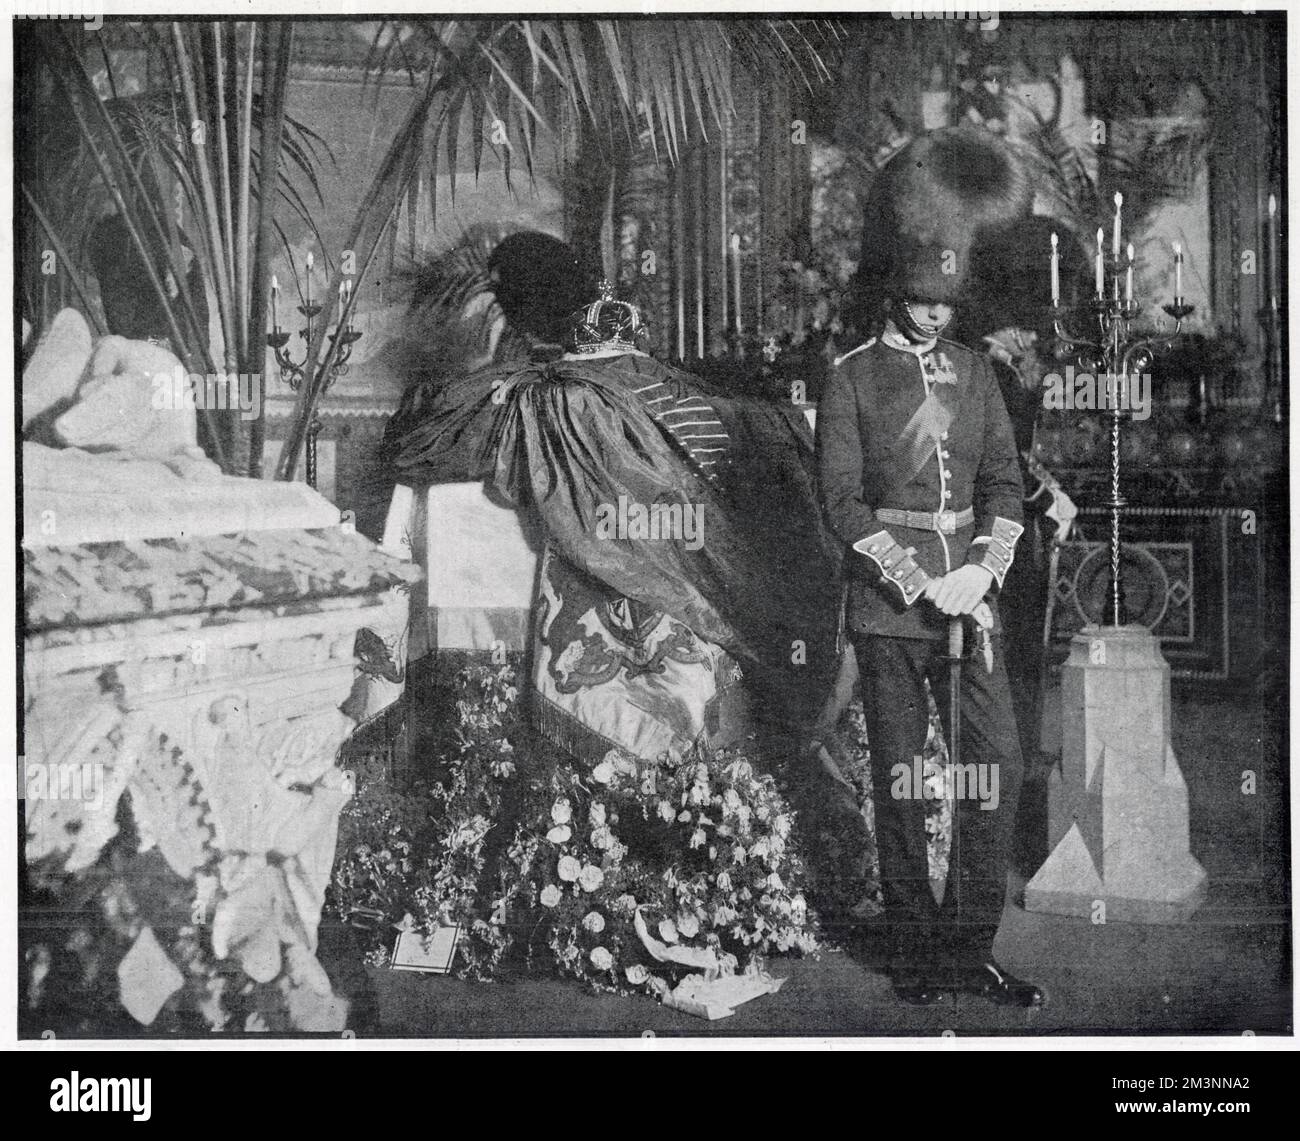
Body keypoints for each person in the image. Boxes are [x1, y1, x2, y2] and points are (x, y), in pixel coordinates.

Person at [817, 126, 1044, 1007]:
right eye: (920, 303)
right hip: (891, 609)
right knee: (906, 780)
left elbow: (1003, 487)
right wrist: (917, 580)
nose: (935, 317)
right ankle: (916, 945)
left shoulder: (978, 373)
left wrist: (981, 574)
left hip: (970, 604)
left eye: (947, 305)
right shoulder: (850, 378)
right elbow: (840, 504)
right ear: (895, 291)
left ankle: (969, 943)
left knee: (998, 766)